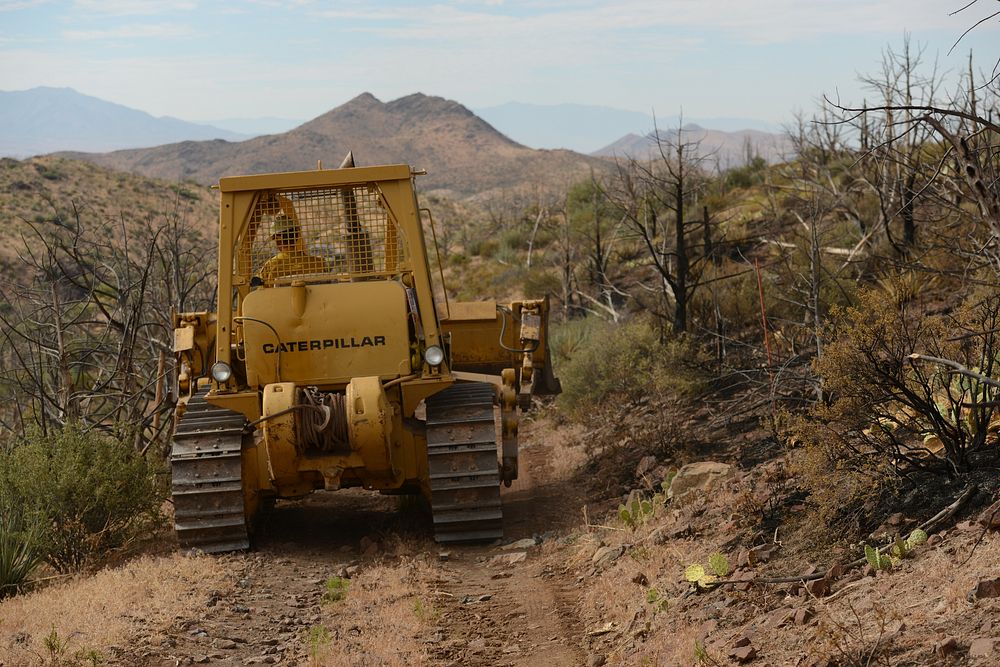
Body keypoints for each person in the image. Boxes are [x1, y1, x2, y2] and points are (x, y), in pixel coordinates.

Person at [257, 213, 326, 286]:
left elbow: (262, 292)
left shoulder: (270, 266)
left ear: (278, 240)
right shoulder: (318, 263)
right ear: (296, 236)